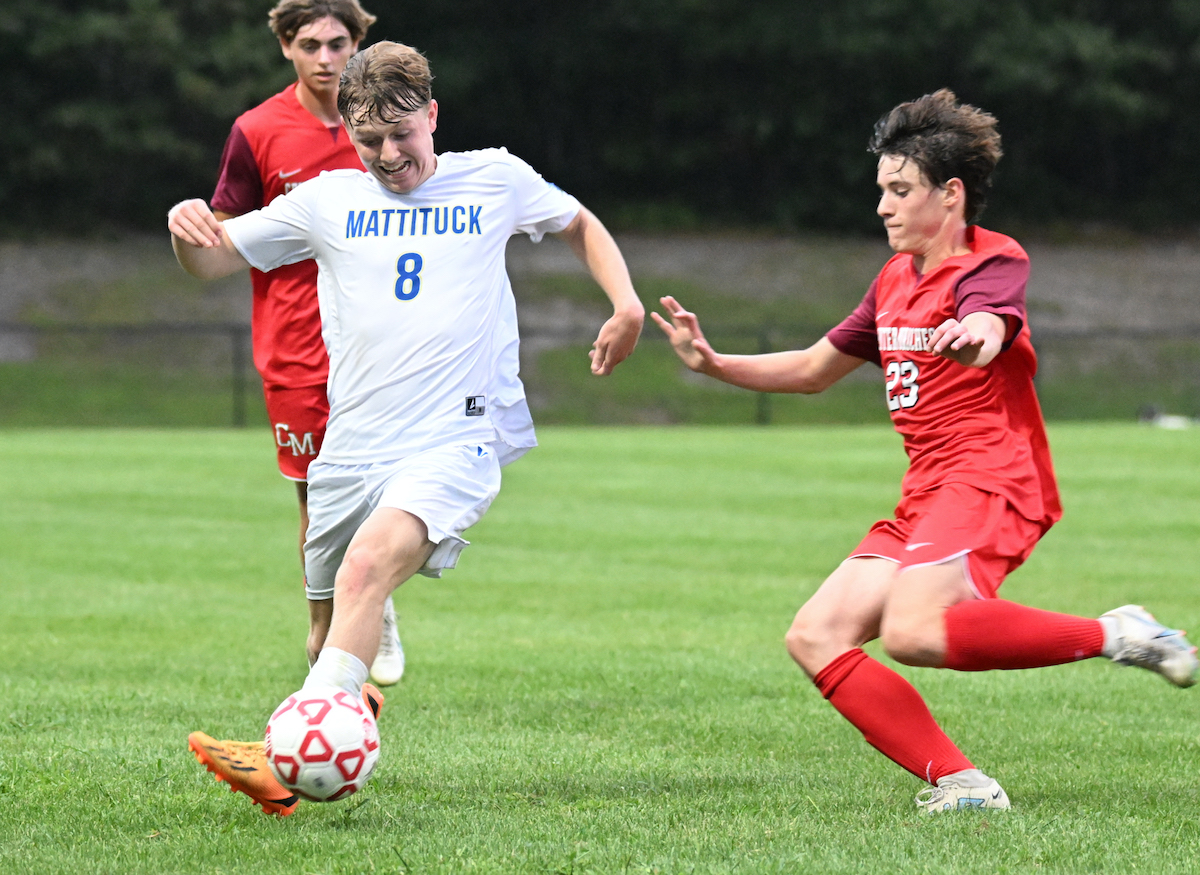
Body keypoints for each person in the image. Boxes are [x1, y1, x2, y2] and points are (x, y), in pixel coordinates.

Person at [653, 89, 1197, 813]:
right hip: (928, 492)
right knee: (816, 634)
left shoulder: (992, 259)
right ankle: (963, 784)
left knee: (912, 630)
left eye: (899, 189)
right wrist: (713, 363)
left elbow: (992, 322)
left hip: (990, 474)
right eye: (881, 189)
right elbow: (816, 369)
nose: (883, 205)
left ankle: (1117, 632)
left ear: (951, 194)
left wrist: (978, 337)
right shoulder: (892, 282)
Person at [171, 41, 645, 816]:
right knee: (326, 626)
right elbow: (213, 262)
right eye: (370, 144)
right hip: (350, 447)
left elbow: (579, 221)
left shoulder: (494, 176)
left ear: (432, 114)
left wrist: (625, 303)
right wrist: (185, 229)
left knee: (363, 574)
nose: (390, 157)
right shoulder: (326, 200)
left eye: (403, 135)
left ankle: (295, 760)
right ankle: (310, 736)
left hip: (453, 440)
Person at [210, 0, 405, 686]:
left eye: (338, 43)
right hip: (294, 341)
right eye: (311, 44)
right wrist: (191, 226)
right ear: (287, 48)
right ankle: (326, 623)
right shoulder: (257, 131)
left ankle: (370, 598)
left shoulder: (385, 124)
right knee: (317, 497)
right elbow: (224, 230)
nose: (326, 57)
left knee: (390, 484)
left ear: (357, 44)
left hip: (382, 337)